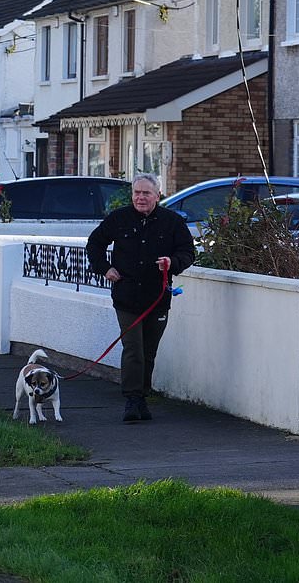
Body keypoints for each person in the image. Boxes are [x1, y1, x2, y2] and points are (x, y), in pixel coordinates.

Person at [86, 173, 194, 423]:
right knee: (133, 349)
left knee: (149, 352)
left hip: (158, 297)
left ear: (157, 196)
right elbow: (95, 244)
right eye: (137, 192)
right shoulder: (119, 219)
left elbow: (188, 252)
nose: (140, 197)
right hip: (126, 297)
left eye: (146, 193)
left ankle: (143, 396)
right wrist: (105, 268)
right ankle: (132, 400)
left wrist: (172, 263)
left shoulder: (172, 222)